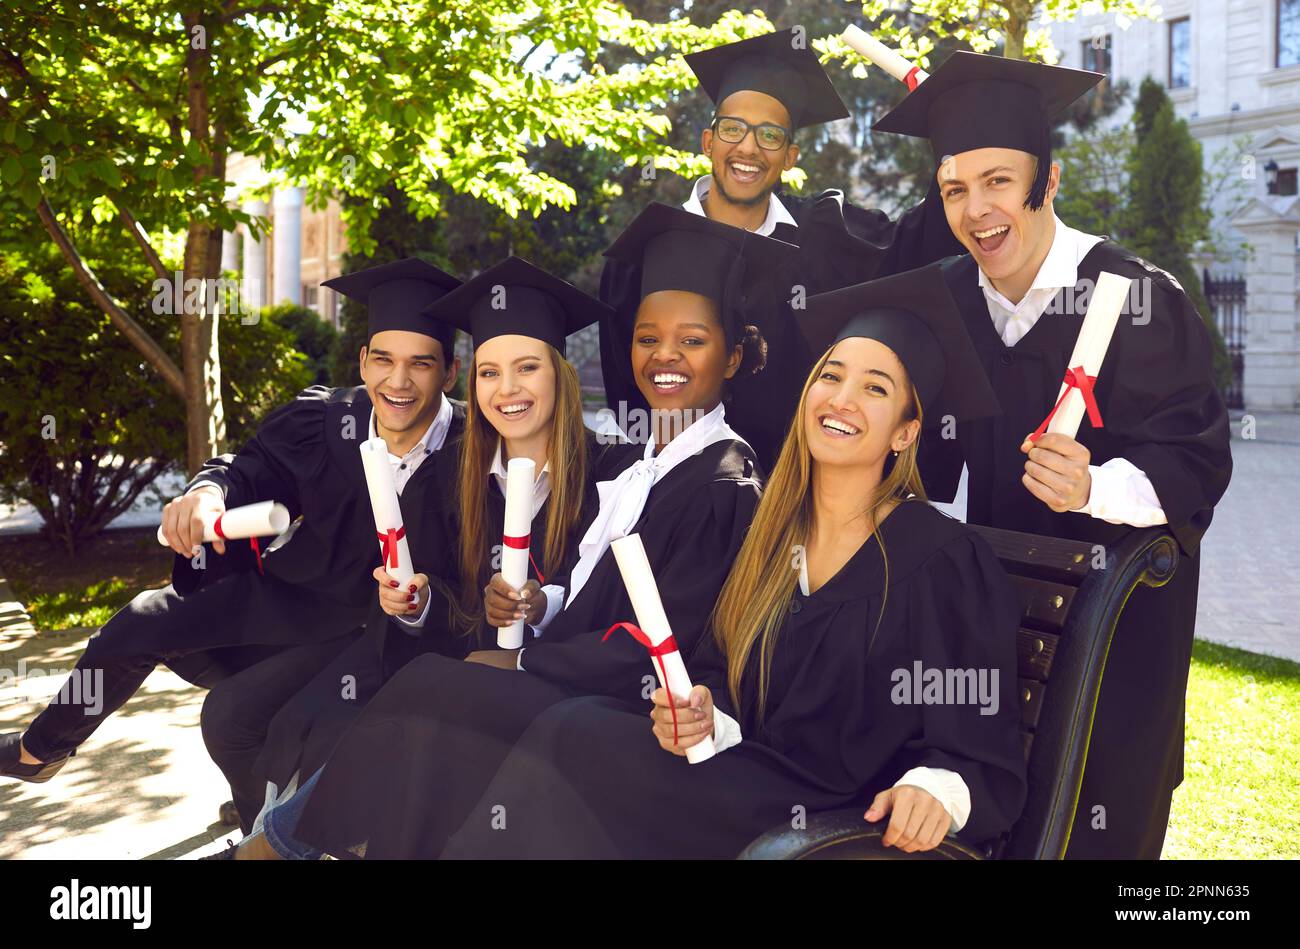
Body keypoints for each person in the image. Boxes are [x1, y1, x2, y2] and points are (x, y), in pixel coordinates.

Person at [419, 263, 1027, 859]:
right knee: (576, 729)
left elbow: (978, 747)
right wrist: (706, 718)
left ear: (905, 431)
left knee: (579, 743)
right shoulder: (771, 537)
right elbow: (721, 678)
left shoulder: (940, 557)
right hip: (745, 778)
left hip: (836, 818)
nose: (841, 399)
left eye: (875, 388)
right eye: (830, 376)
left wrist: (935, 788)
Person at [270, 203, 793, 860]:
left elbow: (670, 644)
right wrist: (535, 606)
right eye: (647, 337)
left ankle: (277, 848)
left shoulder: (721, 482)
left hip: (633, 714)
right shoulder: (649, 470)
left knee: (437, 691)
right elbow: (594, 591)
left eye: (692, 340)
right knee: (429, 695)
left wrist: (526, 657)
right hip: (578, 681)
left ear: (735, 354)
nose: (665, 356)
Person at [873, 51, 1234, 858]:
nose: (977, 209)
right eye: (955, 189)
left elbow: (1199, 459)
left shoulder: (1136, 301)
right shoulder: (944, 301)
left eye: (999, 180)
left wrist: (1095, 485)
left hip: (1114, 640)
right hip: (984, 627)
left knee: (1096, 823)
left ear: (1050, 180)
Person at [202, 257, 625, 859]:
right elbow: (442, 619)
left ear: (559, 373)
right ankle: (273, 846)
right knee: (414, 702)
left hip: (564, 692)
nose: (506, 390)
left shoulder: (615, 473)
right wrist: (416, 603)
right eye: (488, 373)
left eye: (527, 368)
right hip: (462, 677)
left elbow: (616, 608)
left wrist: (541, 607)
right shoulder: (453, 478)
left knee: (428, 707)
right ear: (470, 383)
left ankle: (268, 849)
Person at [0, 259, 465, 807]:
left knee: (235, 717)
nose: (398, 381)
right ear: (363, 362)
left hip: (378, 632)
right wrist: (206, 494)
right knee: (140, 624)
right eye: (383, 359)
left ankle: (263, 822)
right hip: (293, 598)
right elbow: (244, 470)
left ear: (450, 374)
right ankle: (42, 750)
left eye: (421, 364)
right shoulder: (323, 423)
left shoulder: (473, 451)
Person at [599, 28, 965, 468]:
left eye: (770, 135)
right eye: (733, 129)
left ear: (790, 156)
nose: (748, 148)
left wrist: (954, 131)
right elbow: (627, 388)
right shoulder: (644, 252)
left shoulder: (830, 234)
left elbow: (921, 240)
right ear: (708, 142)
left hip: (801, 493)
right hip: (684, 489)